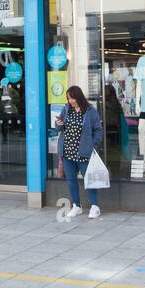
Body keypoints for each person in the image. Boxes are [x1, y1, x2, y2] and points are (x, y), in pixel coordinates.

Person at [55, 85, 104, 220]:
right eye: (68, 98)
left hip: (83, 152)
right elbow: (58, 128)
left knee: (89, 179)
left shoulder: (89, 111)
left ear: (79, 96)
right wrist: (59, 124)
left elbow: (98, 130)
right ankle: (77, 205)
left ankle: (95, 207)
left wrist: (92, 145)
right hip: (67, 152)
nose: (70, 101)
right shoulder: (66, 109)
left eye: (72, 98)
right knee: (71, 180)